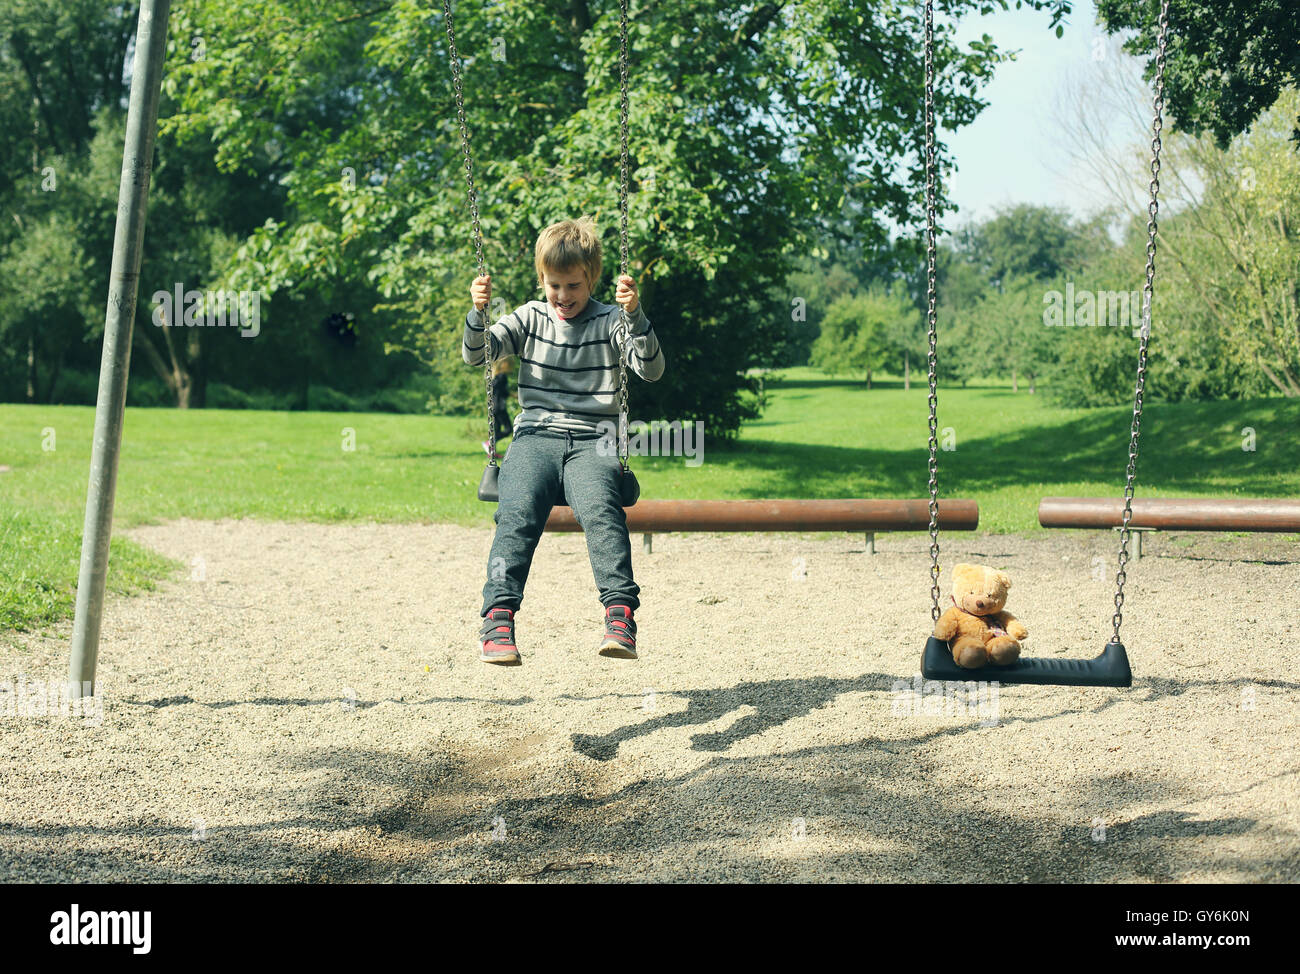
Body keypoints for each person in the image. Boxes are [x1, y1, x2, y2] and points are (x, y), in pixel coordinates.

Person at [462, 216, 664, 665]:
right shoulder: (530, 317)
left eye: (573, 285)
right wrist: (478, 314)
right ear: (542, 279)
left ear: (591, 278)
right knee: (515, 515)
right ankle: (497, 618)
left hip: (594, 440)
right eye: (555, 285)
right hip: (535, 435)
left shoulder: (612, 319)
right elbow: (478, 355)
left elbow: (650, 370)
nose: (564, 296)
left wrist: (635, 316)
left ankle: (620, 615)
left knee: (601, 514)